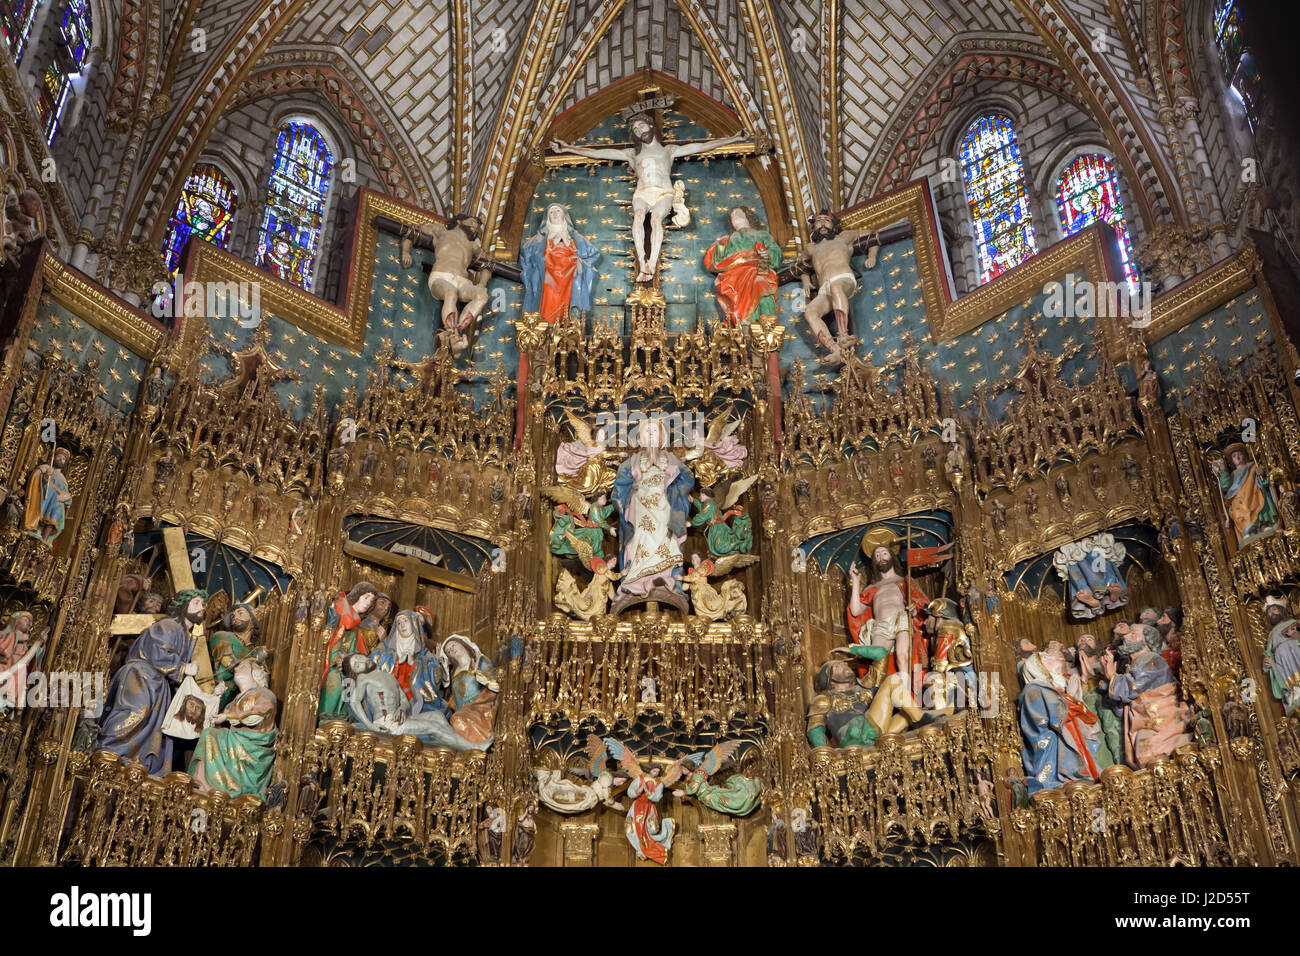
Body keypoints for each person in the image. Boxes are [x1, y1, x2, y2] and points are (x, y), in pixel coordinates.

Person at [550, 116, 744, 281]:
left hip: (663, 192)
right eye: (635, 128)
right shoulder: (632, 154)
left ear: (651, 126)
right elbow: (599, 152)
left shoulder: (669, 150)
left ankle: (651, 262)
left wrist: (733, 139)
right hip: (642, 192)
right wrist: (568, 148)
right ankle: (642, 260)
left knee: (655, 219)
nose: (638, 129)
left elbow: (701, 146)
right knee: (639, 214)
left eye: (641, 125)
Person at [97, 590, 207, 775]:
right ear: (183, 606)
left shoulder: (186, 635)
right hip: (141, 676)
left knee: (155, 730)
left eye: (202, 604)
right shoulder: (169, 625)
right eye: (196, 603)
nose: (201, 608)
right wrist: (182, 668)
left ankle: (137, 761)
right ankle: (108, 751)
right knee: (136, 713)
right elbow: (156, 650)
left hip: (158, 684)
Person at [610, 419, 694, 606]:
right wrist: (637, 474)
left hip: (664, 504)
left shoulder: (671, 459)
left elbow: (687, 478)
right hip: (640, 506)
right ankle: (636, 580)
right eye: (646, 431)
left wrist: (669, 473)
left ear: (662, 437)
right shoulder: (633, 461)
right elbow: (619, 485)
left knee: (666, 536)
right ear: (640, 437)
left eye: (654, 431)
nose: (650, 434)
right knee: (640, 537)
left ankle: (667, 579)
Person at [1103, 626, 1193, 768]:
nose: (1125, 637)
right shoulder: (1134, 665)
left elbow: (1129, 689)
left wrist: (1112, 676)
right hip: (1148, 725)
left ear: (1145, 641)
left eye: (1133, 633)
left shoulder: (1152, 660)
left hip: (1162, 724)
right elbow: (1123, 709)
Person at [1018, 647, 1104, 794]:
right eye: (1045, 657)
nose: (1054, 655)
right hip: (1053, 748)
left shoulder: (1060, 689)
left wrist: (1074, 698)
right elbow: (1050, 719)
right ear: (1037, 667)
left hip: (1075, 741)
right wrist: (1070, 699)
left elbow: (1085, 718)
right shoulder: (1034, 689)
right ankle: (1063, 778)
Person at [189, 659, 278, 799]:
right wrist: (217, 698)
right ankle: (203, 784)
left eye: (242, 667)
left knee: (210, 735)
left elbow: (258, 715)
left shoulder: (264, 694)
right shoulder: (235, 699)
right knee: (209, 734)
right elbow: (222, 723)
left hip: (251, 747)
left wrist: (227, 716)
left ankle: (217, 785)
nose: (236, 669)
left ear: (255, 674)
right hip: (235, 742)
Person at [519, 203, 599, 323]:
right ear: (547, 218)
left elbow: (593, 253)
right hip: (548, 280)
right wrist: (536, 267)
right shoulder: (538, 240)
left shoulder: (575, 238)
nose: (555, 214)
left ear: (564, 216)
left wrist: (580, 264)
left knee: (569, 308)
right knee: (547, 305)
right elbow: (526, 256)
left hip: (570, 279)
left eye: (558, 211)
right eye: (551, 212)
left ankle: (568, 325)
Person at [704, 206, 782, 326]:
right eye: (732, 216)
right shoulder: (727, 240)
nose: (734, 217)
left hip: (758, 269)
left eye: (737, 213)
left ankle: (766, 326)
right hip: (734, 275)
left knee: (762, 286)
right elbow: (717, 260)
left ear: (747, 216)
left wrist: (765, 254)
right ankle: (742, 323)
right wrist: (720, 248)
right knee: (740, 292)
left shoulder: (762, 235)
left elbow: (775, 252)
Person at [319, 581, 377, 718]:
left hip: (348, 666)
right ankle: (325, 716)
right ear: (357, 595)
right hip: (333, 664)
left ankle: (342, 718)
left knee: (357, 685)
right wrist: (339, 659)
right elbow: (330, 642)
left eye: (372, 601)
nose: (369, 602)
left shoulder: (357, 628)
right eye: (366, 597)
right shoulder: (340, 613)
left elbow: (356, 651)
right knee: (336, 681)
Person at [369, 608, 444, 712]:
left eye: (405, 621)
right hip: (388, 696)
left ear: (414, 624)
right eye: (399, 623)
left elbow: (436, 677)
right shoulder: (386, 646)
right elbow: (371, 664)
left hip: (414, 698)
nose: (402, 625)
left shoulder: (424, 651)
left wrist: (414, 663)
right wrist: (394, 661)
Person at [1214, 442, 1279, 546]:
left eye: (1239, 454)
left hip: (1254, 494)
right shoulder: (1233, 474)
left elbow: (1265, 482)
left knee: (1258, 498)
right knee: (1237, 509)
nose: (1237, 457)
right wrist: (1223, 471)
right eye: (1234, 456)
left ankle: (1263, 525)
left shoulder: (1253, 466)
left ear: (1244, 455)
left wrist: (1261, 474)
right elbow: (1225, 486)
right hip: (1239, 500)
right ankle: (1250, 531)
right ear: (1232, 461)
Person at [23, 447, 72, 546]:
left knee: (58, 509)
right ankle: (36, 530)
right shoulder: (44, 468)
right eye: (59, 457)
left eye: (63, 459)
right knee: (55, 505)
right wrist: (45, 476)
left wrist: (67, 498)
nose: (61, 460)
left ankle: (44, 540)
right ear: (53, 457)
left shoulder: (62, 479)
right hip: (41, 498)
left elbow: (66, 496)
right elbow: (35, 481)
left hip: (55, 502)